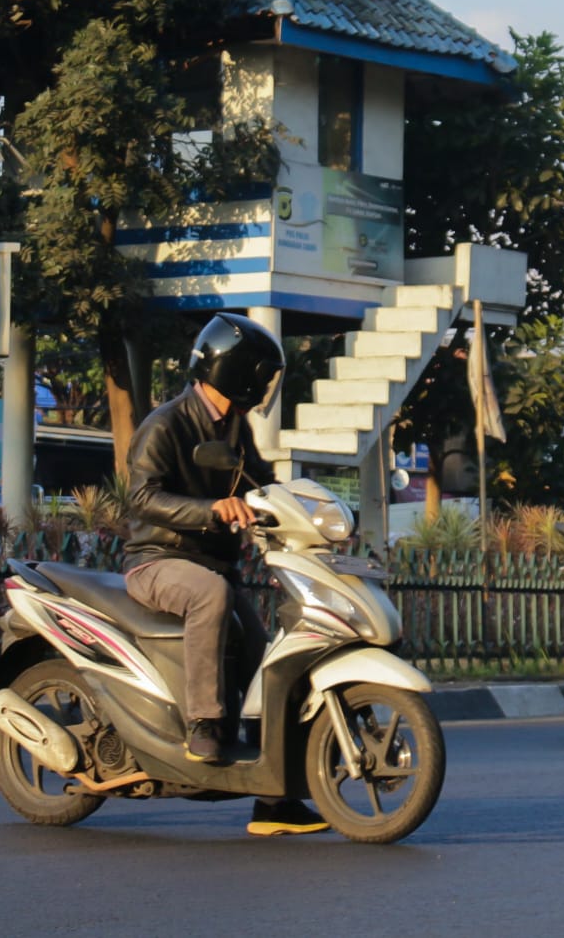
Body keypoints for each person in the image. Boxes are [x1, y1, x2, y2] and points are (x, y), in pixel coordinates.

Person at [124, 312, 326, 836]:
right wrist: (212, 509)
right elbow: (142, 498)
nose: (264, 385)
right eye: (261, 374)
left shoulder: (234, 426)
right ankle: (205, 724)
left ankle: (274, 801)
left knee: (266, 654)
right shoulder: (165, 424)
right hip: (156, 562)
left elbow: (260, 480)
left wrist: (303, 506)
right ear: (238, 371)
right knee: (211, 594)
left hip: (212, 565)